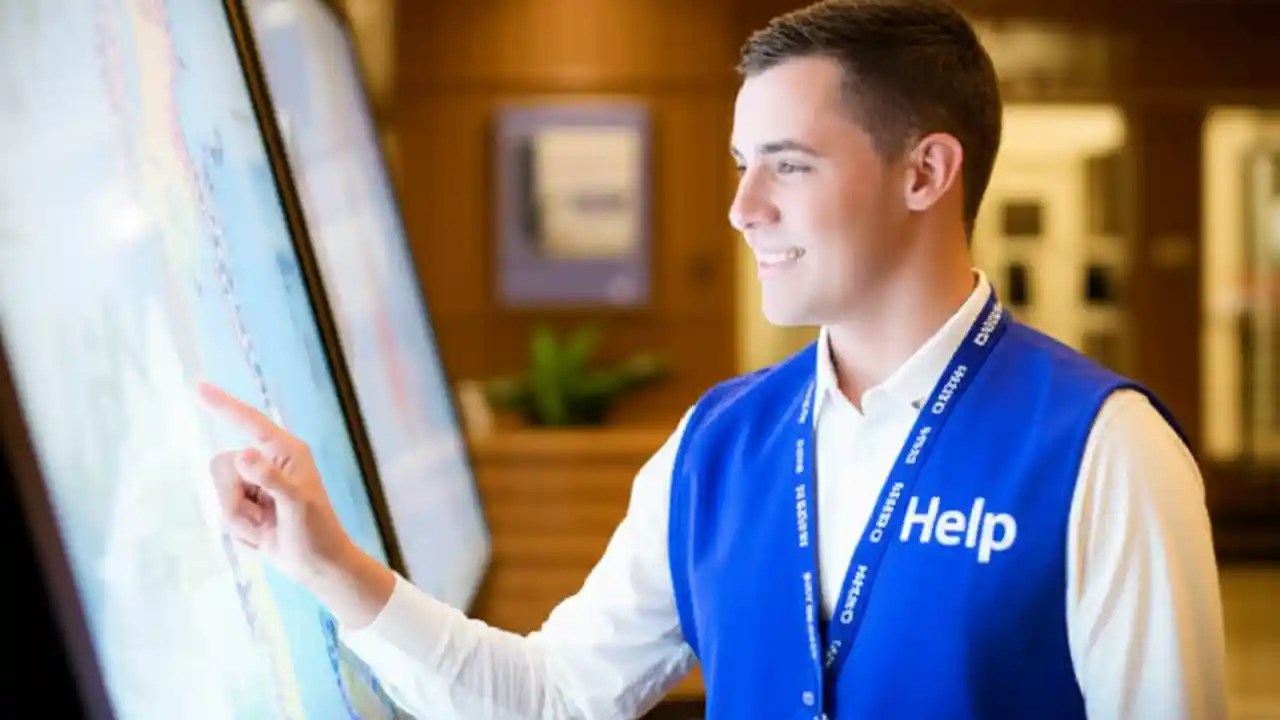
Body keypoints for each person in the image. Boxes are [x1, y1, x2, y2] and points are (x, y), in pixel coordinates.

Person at [199, 1, 1227, 717]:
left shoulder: (1103, 451)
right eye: (742, 165)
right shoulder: (717, 445)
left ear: (925, 171)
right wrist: (328, 565)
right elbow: (553, 697)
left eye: (788, 165)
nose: (742, 209)